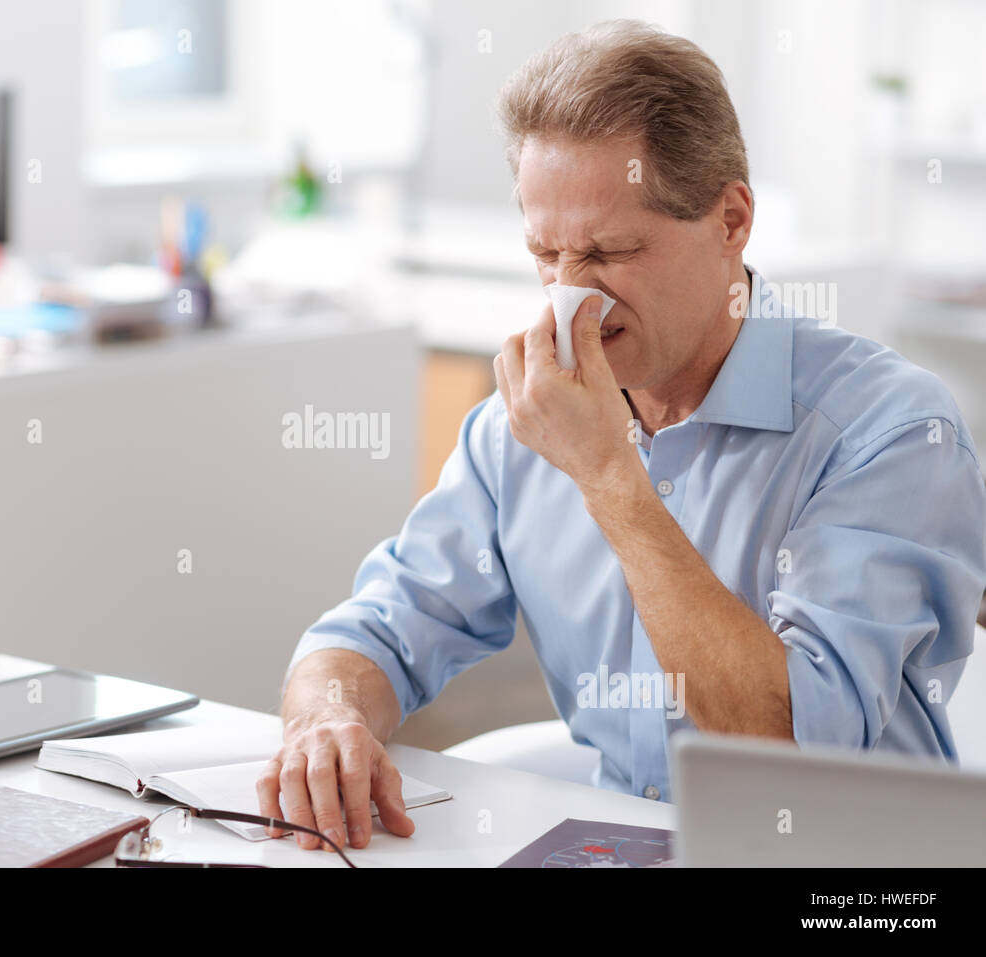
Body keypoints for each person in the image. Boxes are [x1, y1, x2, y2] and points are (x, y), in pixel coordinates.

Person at [256, 20, 986, 853]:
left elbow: (795, 754)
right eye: (545, 253)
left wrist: (610, 477)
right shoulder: (518, 431)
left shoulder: (892, 431)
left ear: (731, 221)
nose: (571, 298)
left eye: (609, 251)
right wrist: (327, 720)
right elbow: (378, 628)